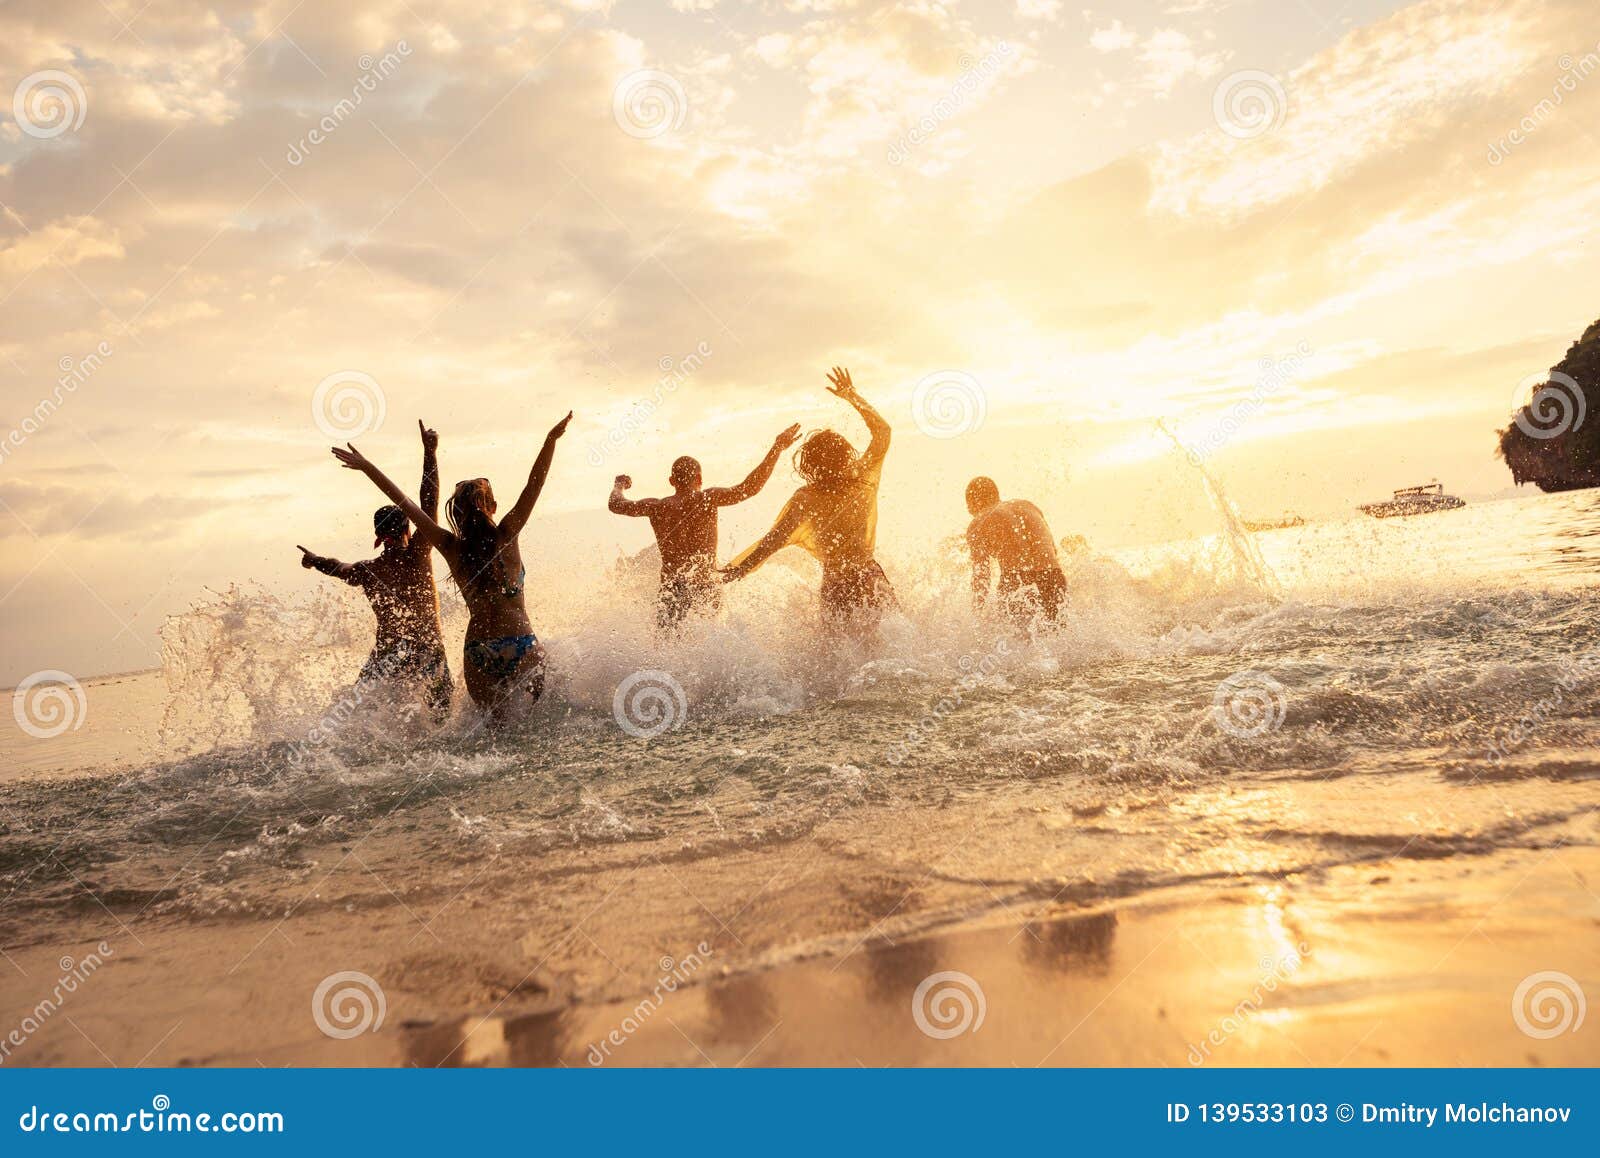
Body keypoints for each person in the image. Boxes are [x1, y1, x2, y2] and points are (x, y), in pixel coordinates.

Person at [332, 411, 572, 717]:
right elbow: (534, 485)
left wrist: (367, 467)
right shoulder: (508, 533)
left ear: (456, 515)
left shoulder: (450, 547)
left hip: (478, 652)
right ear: (494, 506)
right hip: (521, 641)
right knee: (542, 724)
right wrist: (550, 440)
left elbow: (404, 501)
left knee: (492, 739)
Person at [721, 367, 895, 637]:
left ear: (810, 464)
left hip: (836, 585)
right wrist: (852, 396)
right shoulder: (862, 480)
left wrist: (737, 570)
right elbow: (883, 432)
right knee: (890, 647)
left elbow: (772, 541)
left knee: (837, 659)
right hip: (868, 577)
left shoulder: (807, 499)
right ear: (846, 454)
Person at [298, 420, 452, 719]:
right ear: (410, 529)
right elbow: (429, 503)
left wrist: (314, 560)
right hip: (427, 651)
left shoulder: (369, 570)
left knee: (357, 719)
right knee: (440, 721)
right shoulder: (418, 555)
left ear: (378, 538)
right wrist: (430, 453)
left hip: (387, 657)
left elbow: (339, 567)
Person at [609, 424, 802, 629]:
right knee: (713, 646)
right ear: (699, 479)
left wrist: (619, 485)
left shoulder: (656, 507)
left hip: (671, 590)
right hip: (705, 586)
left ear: (671, 481)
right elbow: (750, 487)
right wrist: (777, 448)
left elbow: (616, 505)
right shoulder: (708, 499)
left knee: (667, 650)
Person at [964, 476, 1067, 625]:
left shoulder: (978, 523)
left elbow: (981, 577)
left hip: (1017, 581)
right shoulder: (1028, 506)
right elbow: (1052, 549)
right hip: (1054, 576)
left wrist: (975, 616)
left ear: (973, 502)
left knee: (1015, 643)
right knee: (1058, 639)